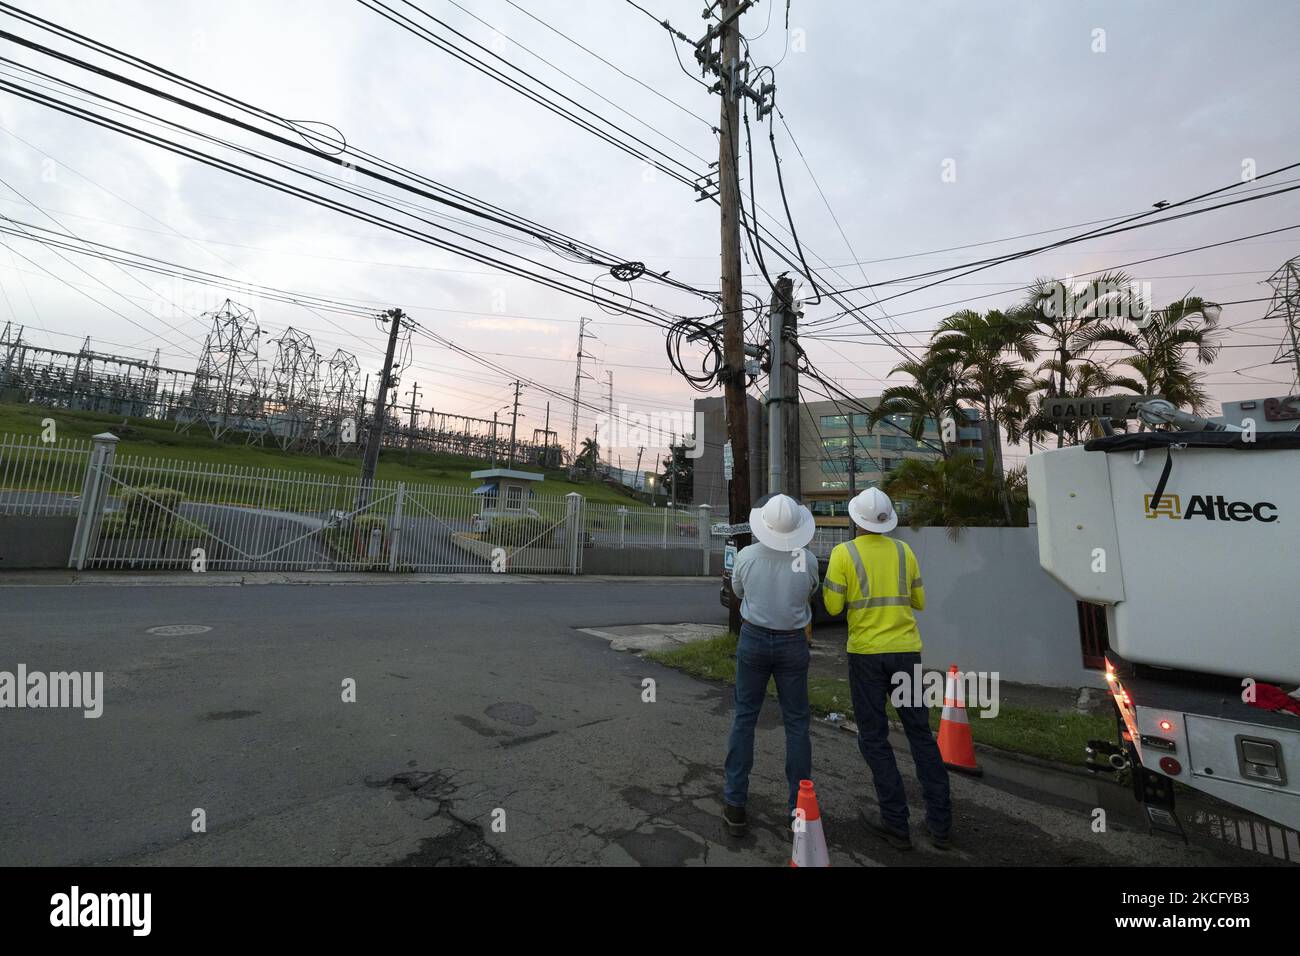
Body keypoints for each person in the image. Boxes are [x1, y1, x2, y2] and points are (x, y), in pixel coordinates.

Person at [822, 486, 952, 851]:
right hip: (906, 654)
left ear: (855, 520)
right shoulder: (904, 551)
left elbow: (832, 608)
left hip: (866, 656)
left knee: (874, 737)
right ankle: (940, 823)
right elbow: (920, 600)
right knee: (920, 735)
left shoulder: (843, 553)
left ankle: (895, 821)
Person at [722, 493, 820, 837]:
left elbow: (739, 592)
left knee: (745, 718)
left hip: (754, 640)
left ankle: (735, 804)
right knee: (796, 724)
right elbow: (809, 592)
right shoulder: (806, 560)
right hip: (793, 643)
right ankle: (799, 808)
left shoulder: (747, 556)